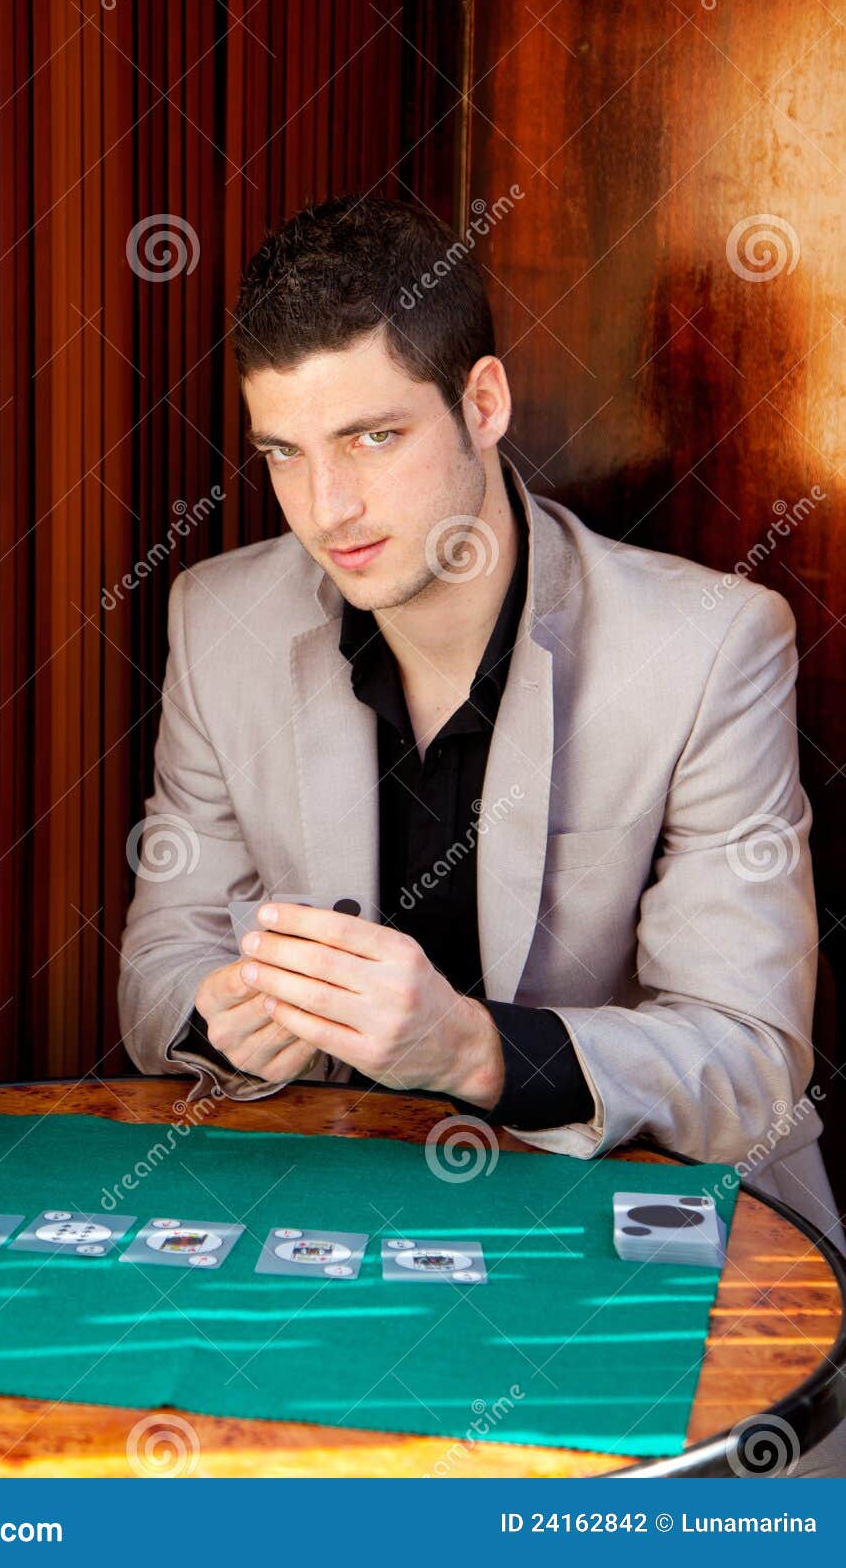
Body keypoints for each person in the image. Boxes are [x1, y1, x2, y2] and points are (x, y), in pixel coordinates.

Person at [118, 194, 843, 1470]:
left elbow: (749, 1065)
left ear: (486, 405)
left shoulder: (712, 645)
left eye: (371, 435)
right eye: (282, 451)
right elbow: (156, 965)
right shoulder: (213, 616)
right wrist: (214, 1014)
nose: (324, 505)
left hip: (668, 1253)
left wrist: (470, 1046)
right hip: (346, 1247)